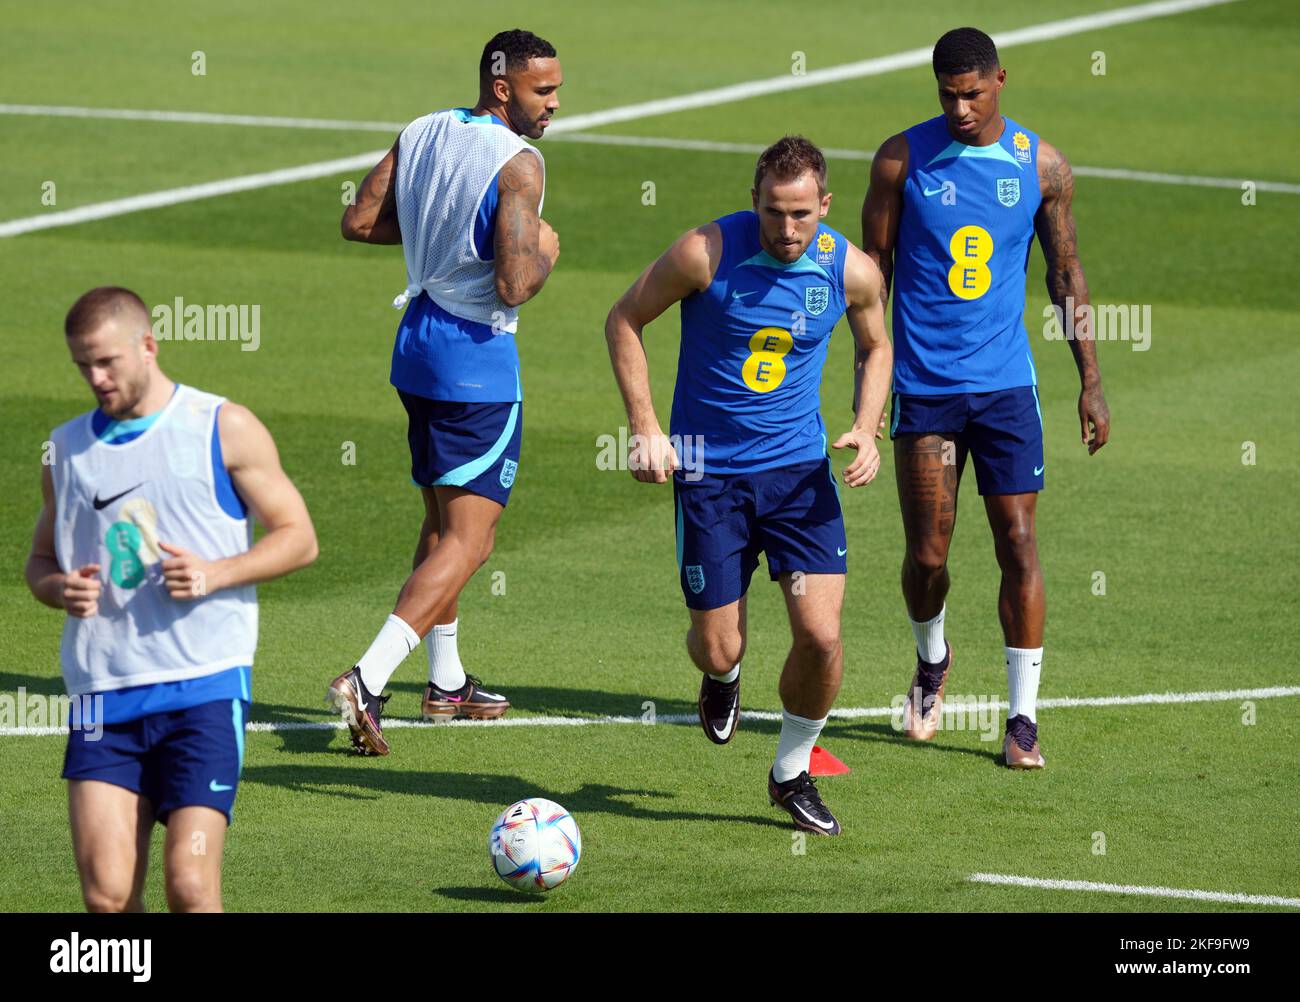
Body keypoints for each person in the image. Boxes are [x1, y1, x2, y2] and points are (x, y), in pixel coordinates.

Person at [605, 137, 892, 835]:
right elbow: (624, 319)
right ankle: (724, 678)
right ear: (754, 201)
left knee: (821, 637)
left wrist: (867, 425)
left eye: (801, 215)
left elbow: (877, 345)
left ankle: (790, 772)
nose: (787, 230)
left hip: (798, 477)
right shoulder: (706, 253)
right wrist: (644, 425)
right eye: (773, 213)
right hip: (709, 475)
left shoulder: (850, 270)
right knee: (719, 645)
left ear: (824, 205)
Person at [859, 27, 1111, 768]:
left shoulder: (1041, 166)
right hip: (924, 392)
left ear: (1000, 80)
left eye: (973, 93)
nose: (961, 108)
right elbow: (872, 280)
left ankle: (1022, 722)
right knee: (928, 555)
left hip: (1006, 390)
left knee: (1020, 544)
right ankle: (933, 661)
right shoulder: (901, 160)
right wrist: (866, 399)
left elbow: (1065, 275)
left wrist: (1090, 380)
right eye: (948, 95)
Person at [25, 285, 318, 911]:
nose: (95, 378)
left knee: (189, 886)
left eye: (107, 362)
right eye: (82, 365)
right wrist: (59, 588)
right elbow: (40, 562)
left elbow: (299, 539)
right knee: (106, 897)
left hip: (202, 690)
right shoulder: (67, 450)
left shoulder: (221, 426)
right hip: (102, 697)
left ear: (148, 346)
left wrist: (216, 573)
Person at [328, 28, 562, 754]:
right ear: (503, 88)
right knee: (472, 538)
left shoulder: (422, 128)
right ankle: (366, 679)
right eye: (542, 91)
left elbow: (359, 219)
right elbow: (515, 283)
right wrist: (547, 247)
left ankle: (447, 683)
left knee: (440, 524)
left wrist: (436, 235)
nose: (554, 104)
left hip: (418, 347)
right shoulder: (520, 163)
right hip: (476, 362)